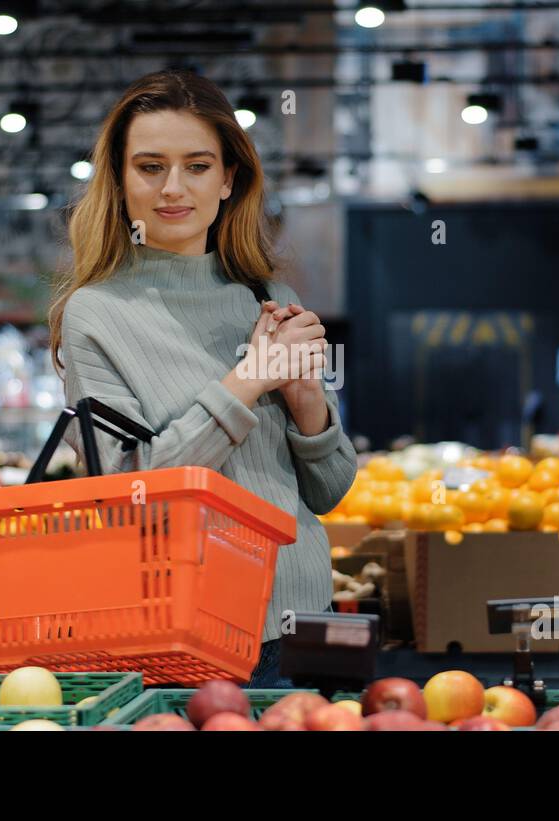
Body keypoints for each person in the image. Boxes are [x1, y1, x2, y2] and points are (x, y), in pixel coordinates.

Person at [47, 69, 357, 687]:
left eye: (196, 165)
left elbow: (328, 492)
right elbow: (134, 492)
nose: (172, 188)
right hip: (191, 640)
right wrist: (247, 382)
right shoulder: (97, 314)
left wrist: (305, 406)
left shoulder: (269, 297)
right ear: (120, 180)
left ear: (227, 179)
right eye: (149, 166)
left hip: (306, 622)